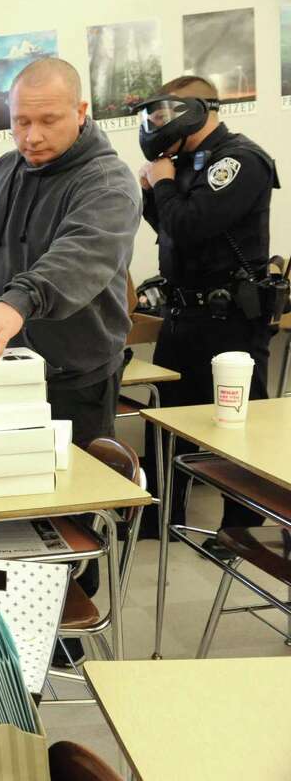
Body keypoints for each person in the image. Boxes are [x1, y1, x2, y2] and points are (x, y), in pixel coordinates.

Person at [0, 57, 140, 649]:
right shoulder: (2, 172)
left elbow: (79, 257)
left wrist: (19, 300)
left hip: (73, 379)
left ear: (82, 113)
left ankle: (68, 637)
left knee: (70, 519)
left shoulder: (107, 183)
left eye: (48, 120)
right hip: (3, 380)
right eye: (19, 122)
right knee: (9, 515)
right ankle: (12, 627)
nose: (30, 136)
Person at [135, 75, 280, 557]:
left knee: (234, 423)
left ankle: (241, 527)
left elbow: (191, 225)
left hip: (229, 318)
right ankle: (160, 515)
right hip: (184, 312)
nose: (156, 126)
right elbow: (171, 231)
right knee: (167, 417)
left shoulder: (238, 160)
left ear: (192, 108)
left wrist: (162, 185)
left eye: (161, 116)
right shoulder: (185, 163)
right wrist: (157, 192)